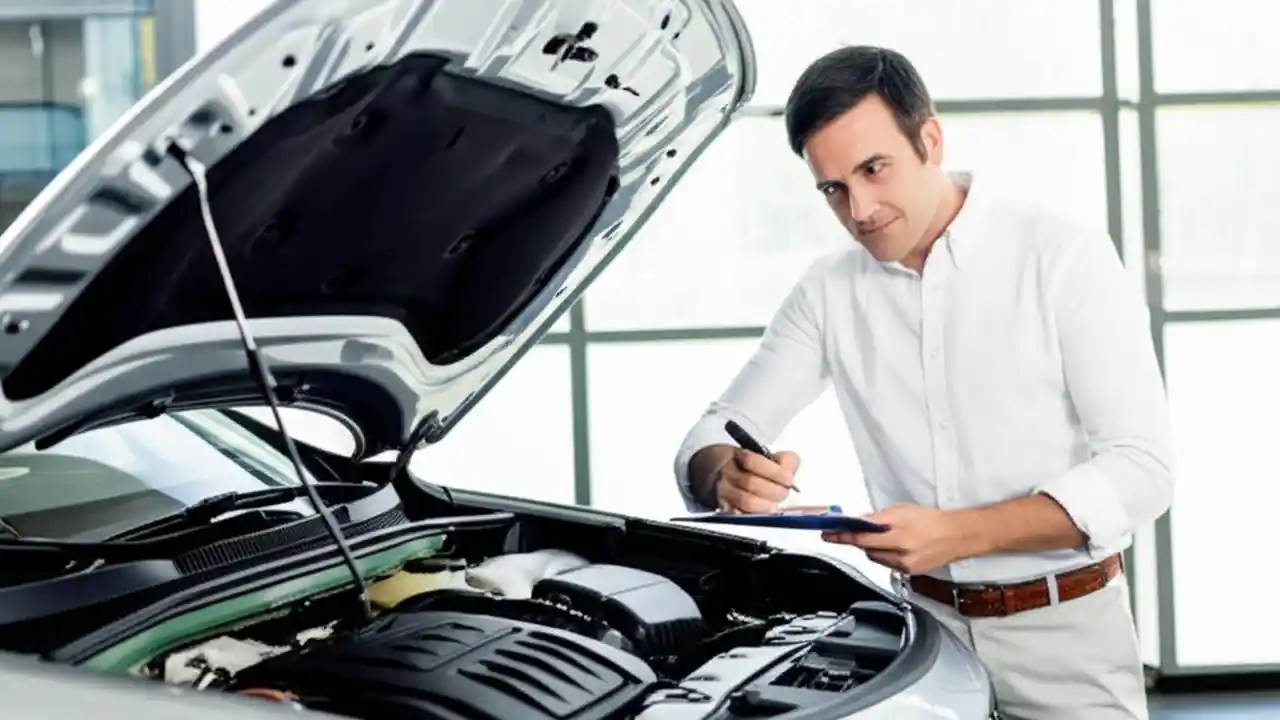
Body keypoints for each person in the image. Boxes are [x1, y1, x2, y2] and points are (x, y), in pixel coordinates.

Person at [672, 45, 1173, 720]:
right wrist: (724, 474)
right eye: (834, 189)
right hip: (921, 642)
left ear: (929, 139)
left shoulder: (1061, 256)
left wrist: (960, 534)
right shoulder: (828, 291)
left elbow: (1143, 471)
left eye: (875, 169)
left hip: (1067, 635)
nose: (861, 208)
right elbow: (712, 432)